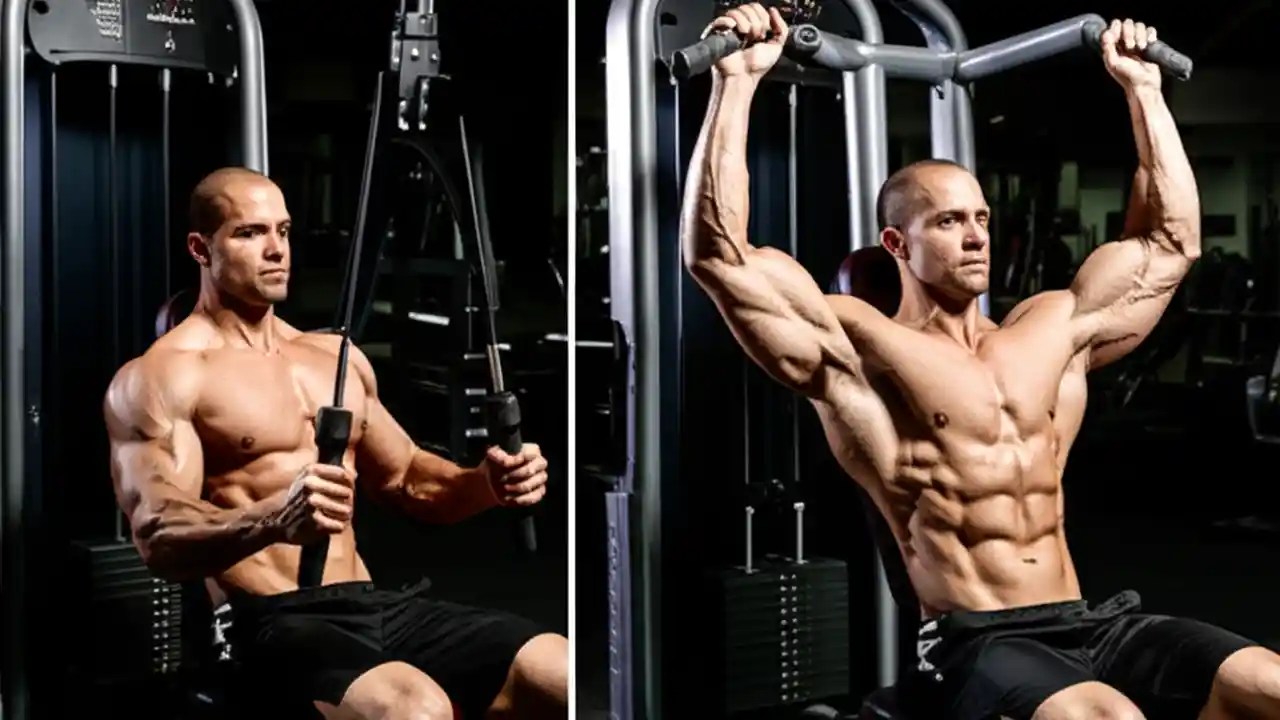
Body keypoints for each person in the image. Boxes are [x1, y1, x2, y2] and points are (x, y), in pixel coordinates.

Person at [681, 6, 1280, 720]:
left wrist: (1143, 90)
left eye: (981, 220)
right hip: (976, 643)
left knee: (1266, 683)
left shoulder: (1053, 328)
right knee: (1107, 719)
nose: (975, 237)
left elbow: (1169, 245)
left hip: (1089, 620)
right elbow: (721, 255)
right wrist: (738, 82)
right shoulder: (860, 350)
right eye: (948, 221)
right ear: (897, 244)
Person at [104, 167, 568, 720]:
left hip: (371, 605)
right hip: (268, 620)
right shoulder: (165, 375)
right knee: (414, 710)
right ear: (201, 248)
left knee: (556, 673)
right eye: (250, 233)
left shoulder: (331, 359)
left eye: (284, 230)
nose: (277, 250)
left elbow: (408, 480)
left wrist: (486, 485)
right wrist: (273, 519)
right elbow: (158, 533)